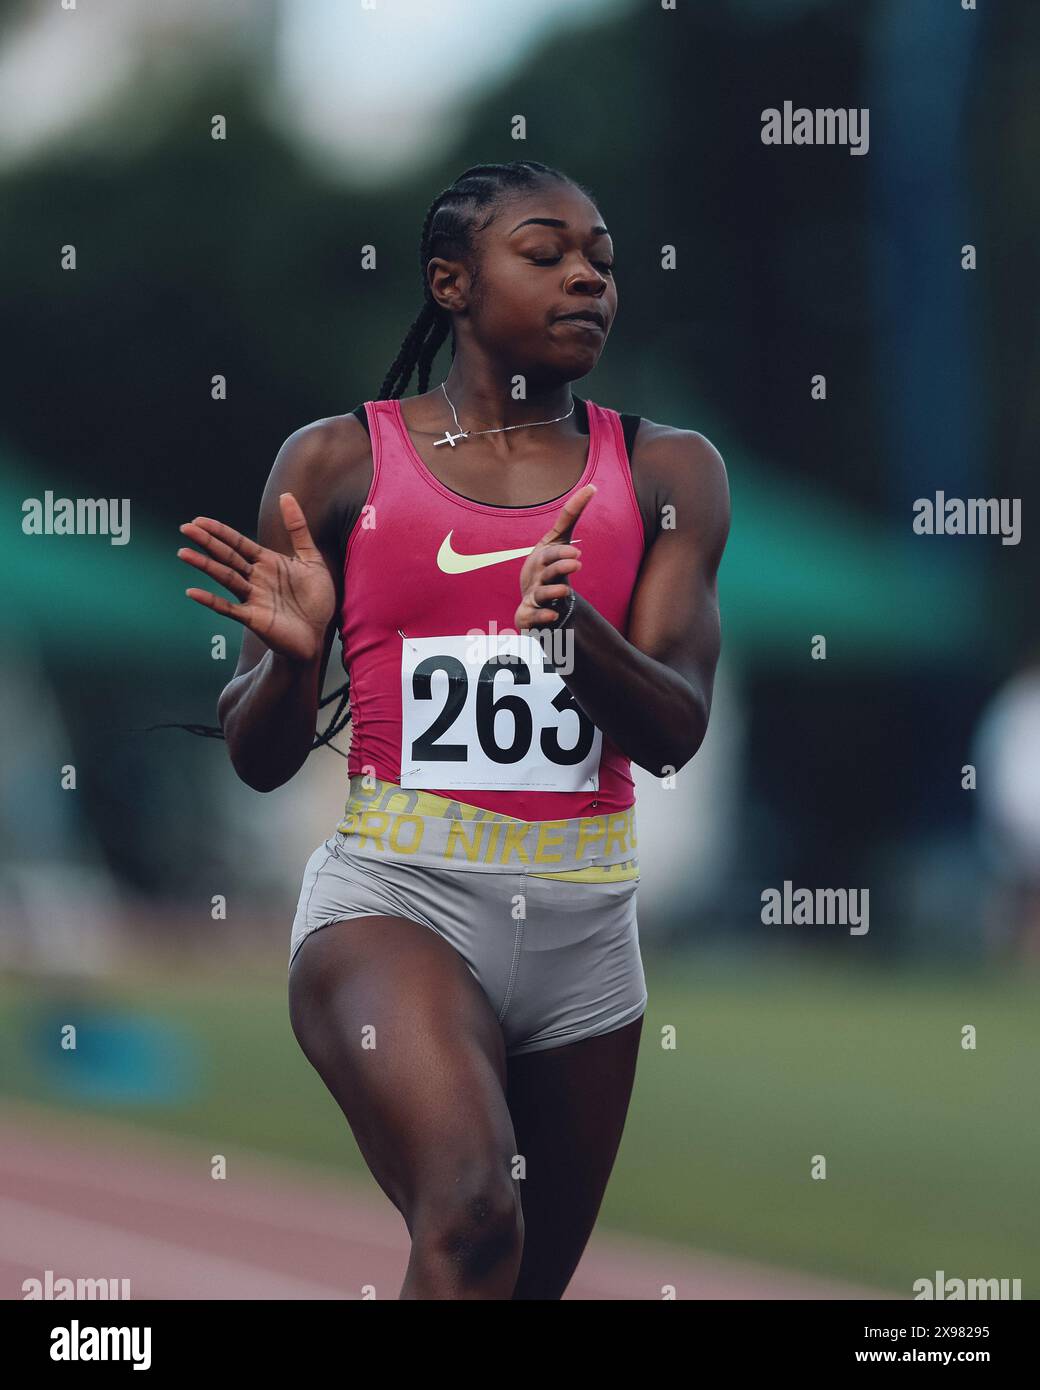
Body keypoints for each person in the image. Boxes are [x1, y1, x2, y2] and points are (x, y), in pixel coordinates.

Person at [176, 160, 730, 1300]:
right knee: (475, 1215)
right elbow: (259, 755)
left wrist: (578, 635)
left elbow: (674, 727)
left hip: (587, 935)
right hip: (396, 901)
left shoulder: (670, 471)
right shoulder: (334, 461)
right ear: (450, 283)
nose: (586, 278)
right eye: (546, 253)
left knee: (513, 1286)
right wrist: (289, 662)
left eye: (603, 262)